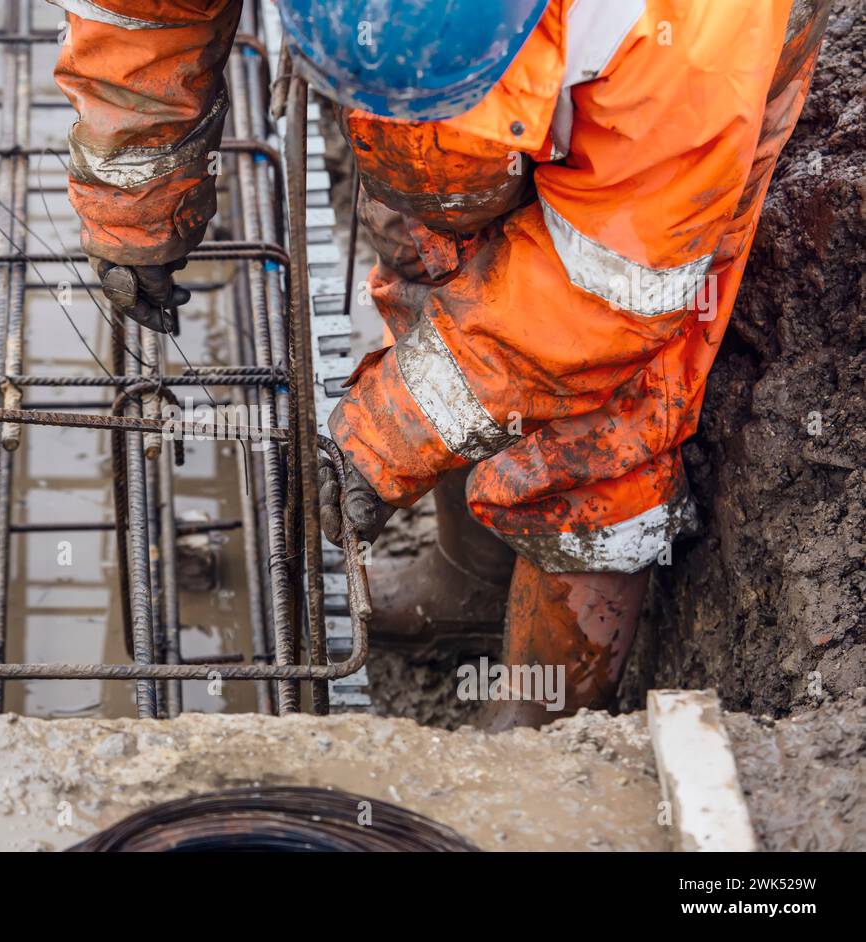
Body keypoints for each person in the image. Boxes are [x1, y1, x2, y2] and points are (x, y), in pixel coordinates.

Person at [50, 0, 831, 727]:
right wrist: (136, 188)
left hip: (647, 136)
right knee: (434, 260)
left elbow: (608, 299)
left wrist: (390, 434)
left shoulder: (689, 41)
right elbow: (142, 9)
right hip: (487, 80)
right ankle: (469, 582)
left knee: (597, 430)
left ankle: (540, 731)